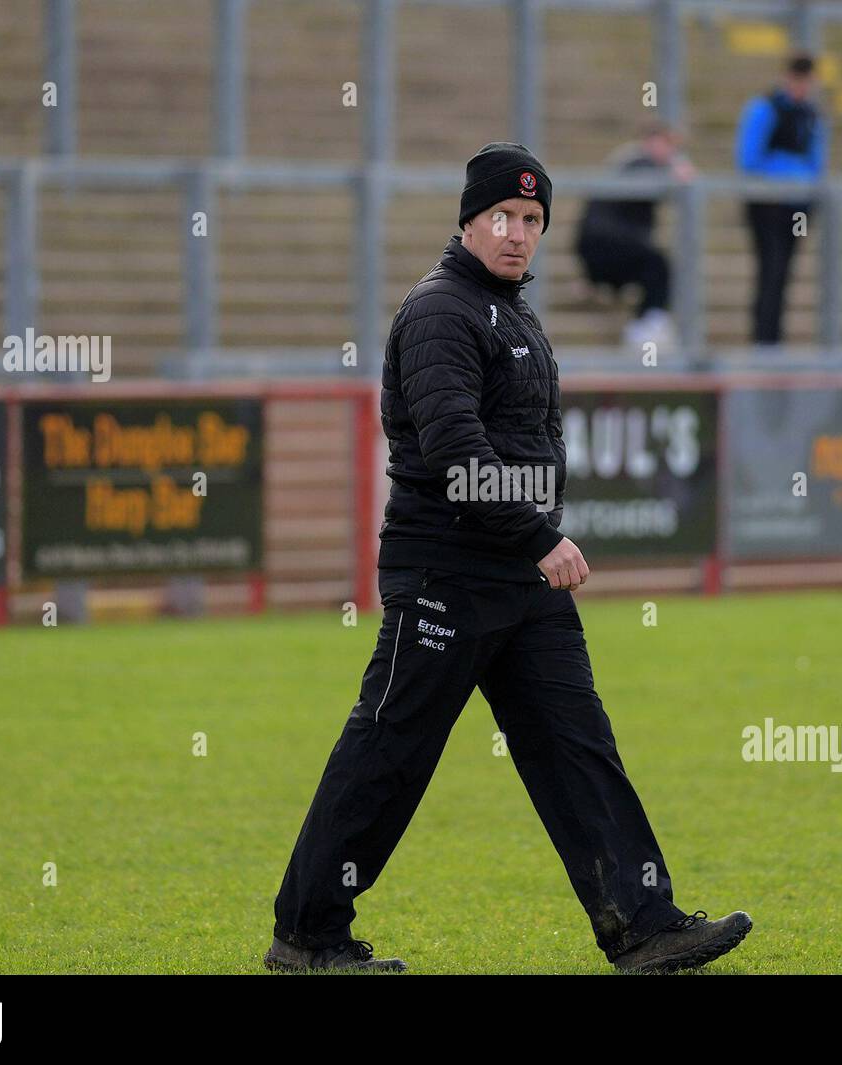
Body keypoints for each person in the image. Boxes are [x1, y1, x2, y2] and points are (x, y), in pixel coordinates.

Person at [265, 142, 752, 974]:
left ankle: (644, 923)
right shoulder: (440, 312)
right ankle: (308, 934)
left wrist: (531, 543)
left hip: (519, 583)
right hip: (446, 577)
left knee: (577, 744)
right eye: (502, 215)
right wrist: (540, 535)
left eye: (532, 219)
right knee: (390, 751)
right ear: (468, 219)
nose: (517, 231)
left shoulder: (512, 311)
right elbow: (456, 446)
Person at [575, 120, 695, 352]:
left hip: (604, 246)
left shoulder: (628, 163)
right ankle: (645, 330)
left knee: (653, 266)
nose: (672, 153)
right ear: (652, 141)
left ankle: (643, 323)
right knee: (659, 265)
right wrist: (675, 172)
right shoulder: (637, 162)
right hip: (606, 243)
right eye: (668, 144)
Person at [735, 52, 829, 345]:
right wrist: (787, 172)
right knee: (770, 268)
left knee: (785, 270)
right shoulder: (764, 109)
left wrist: (803, 182)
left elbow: (817, 162)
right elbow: (749, 159)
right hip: (768, 205)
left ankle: (773, 338)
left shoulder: (813, 116)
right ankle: (764, 339)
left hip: (799, 208)